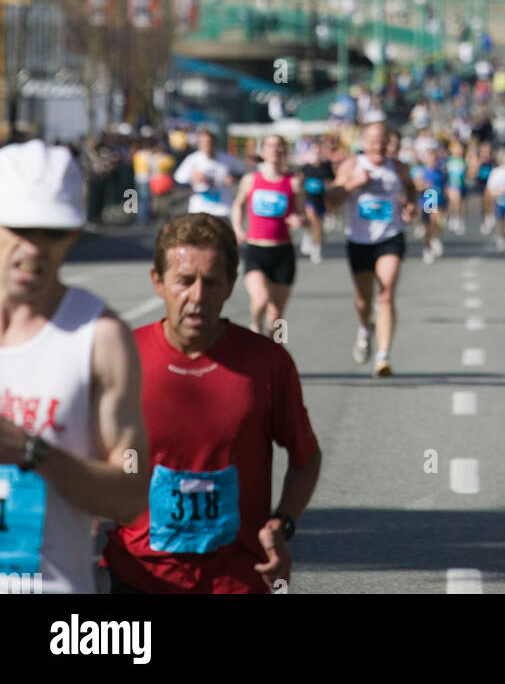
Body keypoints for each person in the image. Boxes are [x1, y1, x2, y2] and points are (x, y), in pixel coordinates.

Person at [102, 213, 321, 594]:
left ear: (231, 285)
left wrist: (282, 523)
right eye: (184, 281)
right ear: (158, 282)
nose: (198, 296)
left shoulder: (267, 364)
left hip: (235, 579)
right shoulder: (121, 357)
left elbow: (306, 458)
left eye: (212, 282)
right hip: (139, 575)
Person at [0, 140, 148, 592]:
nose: (34, 248)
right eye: (20, 228)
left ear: (74, 236)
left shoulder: (100, 338)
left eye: (52, 232)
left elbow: (130, 495)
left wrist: (33, 453)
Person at [326, 121, 417, 377]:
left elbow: (417, 189)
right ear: (363, 142)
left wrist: (414, 206)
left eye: (384, 140)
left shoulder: (398, 167)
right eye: (374, 140)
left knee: (386, 293)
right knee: (363, 299)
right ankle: (365, 330)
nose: (379, 145)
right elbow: (331, 201)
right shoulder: (351, 165)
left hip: (390, 236)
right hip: (359, 239)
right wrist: (354, 183)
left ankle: (383, 357)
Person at [230, 133, 303, 335]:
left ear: (285, 152)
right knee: (261, 299)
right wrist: (237, 228)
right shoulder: (251, 179)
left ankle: (279, 352)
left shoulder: (294, 182)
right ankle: (255, 327)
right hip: (256, 249)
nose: (275, 150)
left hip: (283, 251)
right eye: (270, 146)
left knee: (277, 315)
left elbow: (302, 212)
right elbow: (238, 204)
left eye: (279, 146)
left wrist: (299, 219)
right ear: (263, 152)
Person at [173, 128, 246, 218]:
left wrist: (233, 178)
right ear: (198, 144)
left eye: (209, 142)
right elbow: (178, 182)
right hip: (199, 210)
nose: (206, 145)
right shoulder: (192, 160)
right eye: (202, 142)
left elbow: (243, 175)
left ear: (215, 143)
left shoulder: (227, 158)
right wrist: (193, 181)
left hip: (222, 210)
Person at [300, 138, 334, 264]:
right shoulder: (306, 168)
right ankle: (308, 238)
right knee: (311, 218)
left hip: (321, 198)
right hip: (309, 198)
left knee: (317, 225)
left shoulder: (326, 167)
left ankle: (317, 248)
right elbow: (300, 181)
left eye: (318, 151)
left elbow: (332, 181)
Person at [445, 137, 468, 235]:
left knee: (461, 204)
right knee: (454, 201)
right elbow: (446, 173)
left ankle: (460, 219)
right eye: (457, 149)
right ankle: (454, 217)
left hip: (462, 185)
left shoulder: (464, 161)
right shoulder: (449, 161)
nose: (459, 151)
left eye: (460, 149)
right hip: (452, 185)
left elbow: (468, 173)